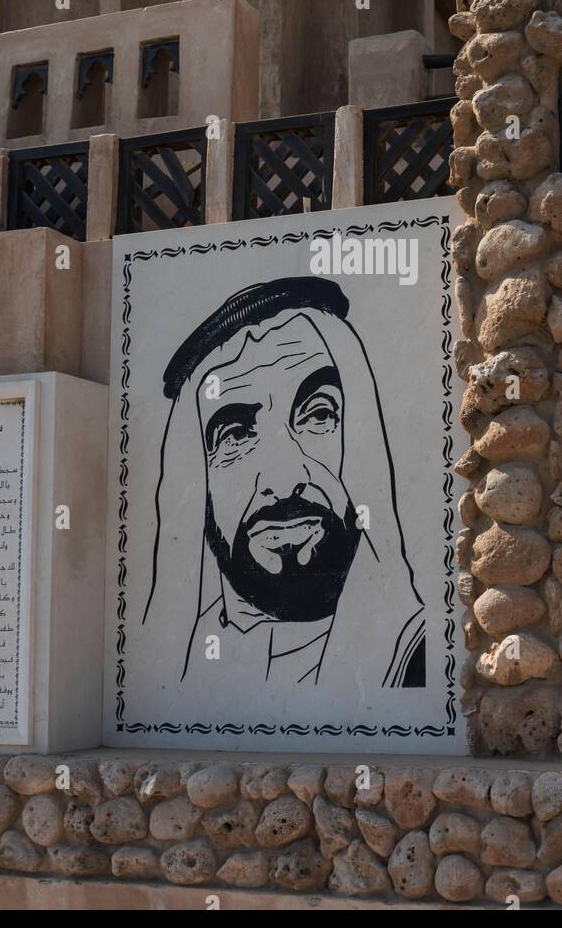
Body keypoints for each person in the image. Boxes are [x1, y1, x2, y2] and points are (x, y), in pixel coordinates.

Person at [143, 277, 425, 691]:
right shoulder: (184, 663)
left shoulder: (416, 659)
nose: (284, 478)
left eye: (318, 416)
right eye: (235, 435)